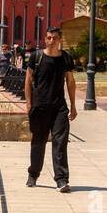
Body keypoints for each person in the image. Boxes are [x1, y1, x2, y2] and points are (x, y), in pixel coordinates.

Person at [24, 26, 77, 192]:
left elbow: (70, 81)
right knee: (38, 143)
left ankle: (62, 180)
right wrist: (28, 103)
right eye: (48, 38)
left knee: (60, 143)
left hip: (59, 108)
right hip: (39, 107)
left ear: (60, 39)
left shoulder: (66, 58)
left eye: (54, 38)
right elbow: (27, 80)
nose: (51, 41)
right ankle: (33, 174)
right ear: (45, 39)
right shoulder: (36, 57)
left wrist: (73, 105)